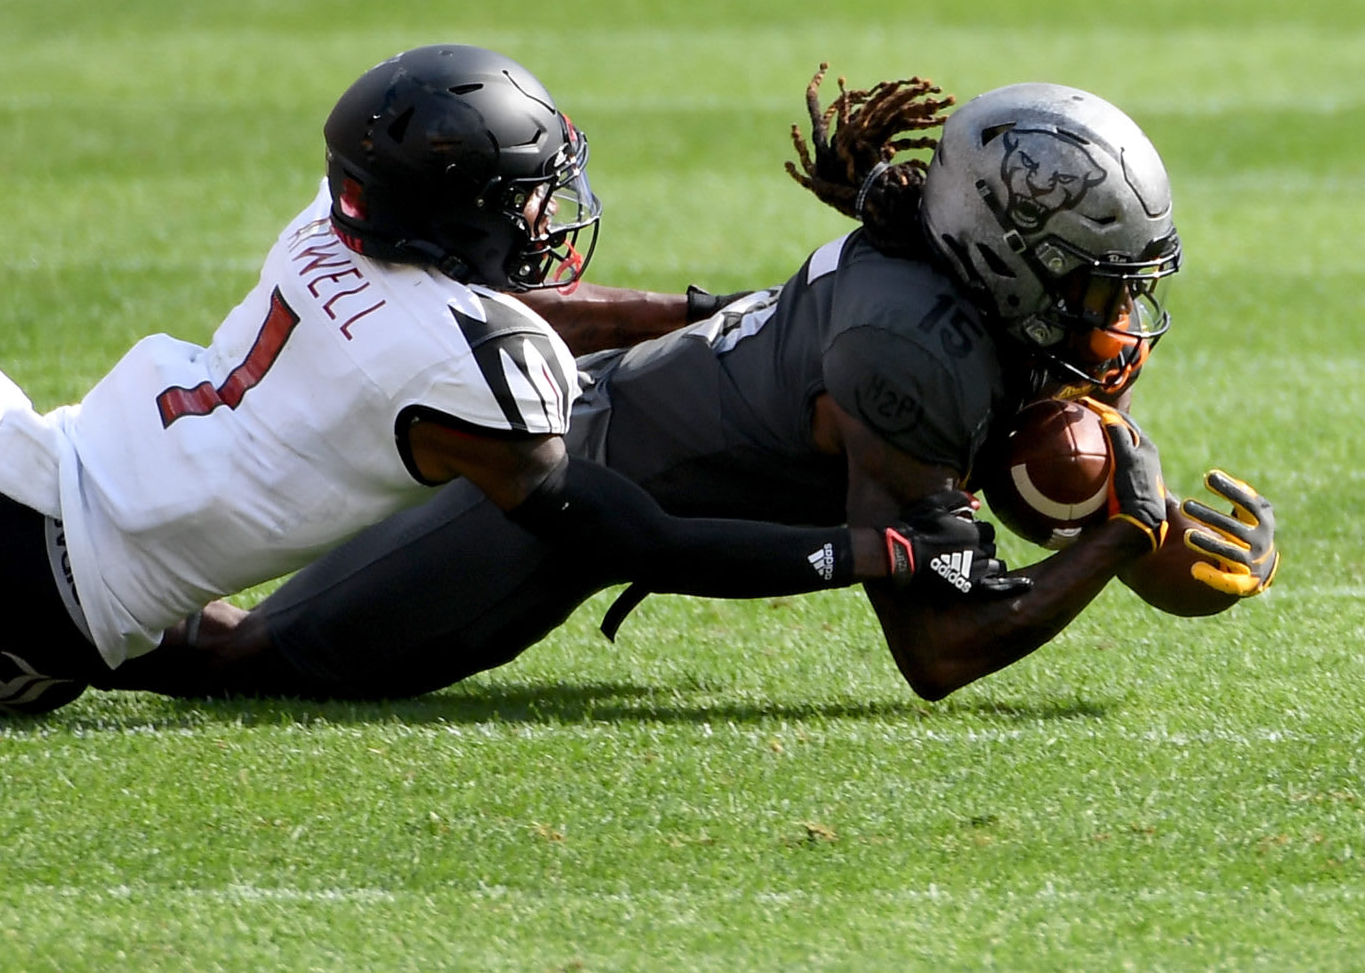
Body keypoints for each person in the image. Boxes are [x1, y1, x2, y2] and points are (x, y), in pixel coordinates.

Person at [0, 47, 1015, 716]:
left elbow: (522, 309)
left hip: (43, 456)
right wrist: (858, 550)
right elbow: (626, 533)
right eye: (524, 198)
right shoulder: (469, 370)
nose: (545, 220)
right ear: (459, 213)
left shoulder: (337, 228)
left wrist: (704, 306)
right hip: (80, 580)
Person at [112, 72, 1280, 705]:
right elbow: (940, 647)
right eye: (1094, 282)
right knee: (240, 664)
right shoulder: (914, 352)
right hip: (551, 486)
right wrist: (1115, 538)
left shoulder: (949, 275)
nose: (1114, 315)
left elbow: (1070, 494)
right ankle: (48, 600)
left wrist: (1164, 541)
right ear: (1006, 256)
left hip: (591, 408)